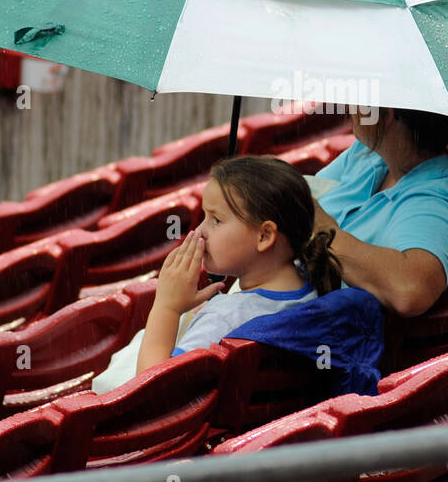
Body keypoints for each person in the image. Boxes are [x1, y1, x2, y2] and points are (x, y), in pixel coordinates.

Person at [136, 155, 343, 375]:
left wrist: (167, 307)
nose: (199, 232)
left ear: (264, 236)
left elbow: (152, 390)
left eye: (216, 220)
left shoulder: (222, 319)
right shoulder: (318, 286)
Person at [310, 106, 448, 318]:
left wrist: (325, 233)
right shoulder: (370, 153)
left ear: (386, 113)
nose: (348, 107)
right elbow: (307, 197)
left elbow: (408, 291)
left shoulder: (439, 203)